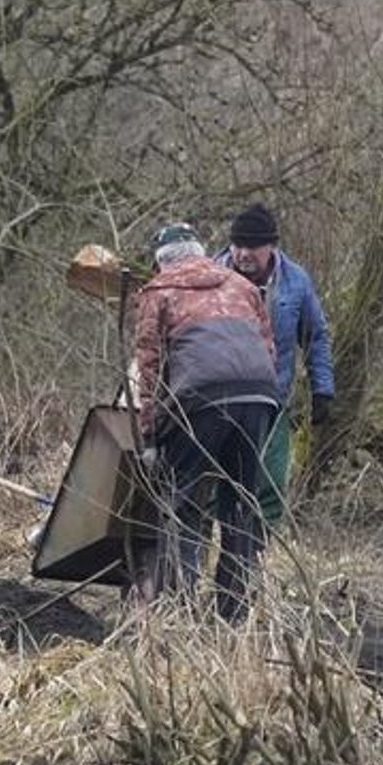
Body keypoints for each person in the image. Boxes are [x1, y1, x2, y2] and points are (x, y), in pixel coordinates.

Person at [134, 222, 280, 622]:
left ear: (159, 261)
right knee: (239, 505)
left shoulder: (158, 292)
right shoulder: (243, 286)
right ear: (199, 252)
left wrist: (149, 435)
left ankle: (177, 611)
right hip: (259, 397)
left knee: (181, 503)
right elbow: (269, 350)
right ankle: (232, 615)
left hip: (200, 400)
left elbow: (149, 368)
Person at [215, 202, 335, 527]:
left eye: (252, 247)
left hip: (271, 399)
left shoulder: (295, 282)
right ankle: (199, 558)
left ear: (271, 245)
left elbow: (315, 336)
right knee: (215, 483)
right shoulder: (213, 275)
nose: (243, 254)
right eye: (237, 245)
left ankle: (253, 555)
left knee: (269, 484)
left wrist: (322, 389)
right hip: (218, 397)